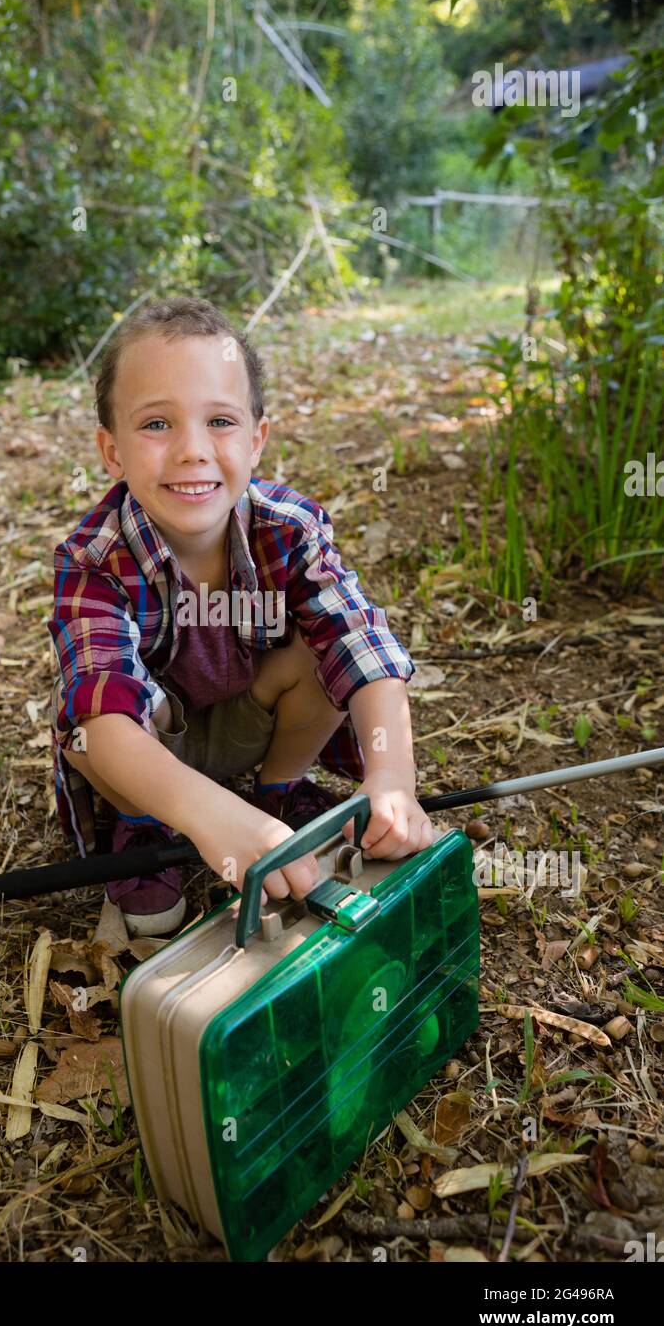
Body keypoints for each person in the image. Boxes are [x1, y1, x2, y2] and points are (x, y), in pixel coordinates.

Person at [47, 295, 434, 937]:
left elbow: (361, 642)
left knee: (323, 653)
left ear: (257, 441)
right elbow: (105, 713)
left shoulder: (290, 529)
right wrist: (205, 814)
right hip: (148, 746)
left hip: (243, 718)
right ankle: (144, 826)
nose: (194, 451)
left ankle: (278, 790)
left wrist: (392, 776)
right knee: (88, 725)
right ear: (111, 452)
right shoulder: (94, 560)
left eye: (220, 421)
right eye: (156, 425)